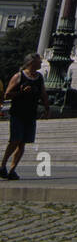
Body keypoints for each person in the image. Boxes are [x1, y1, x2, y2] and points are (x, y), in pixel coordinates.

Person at [2, 53, 50, 181]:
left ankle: (12, 169)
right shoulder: (19, 76)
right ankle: (2, 165)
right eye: (39, 62)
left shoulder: (39, 77)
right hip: (18, 113)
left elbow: (43, 93)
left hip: (31, 113)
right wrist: (21, 92)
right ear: (31, 63)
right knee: (15, 140)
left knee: (22, 143)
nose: (41, 63)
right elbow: (7, 95)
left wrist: (47, 107)